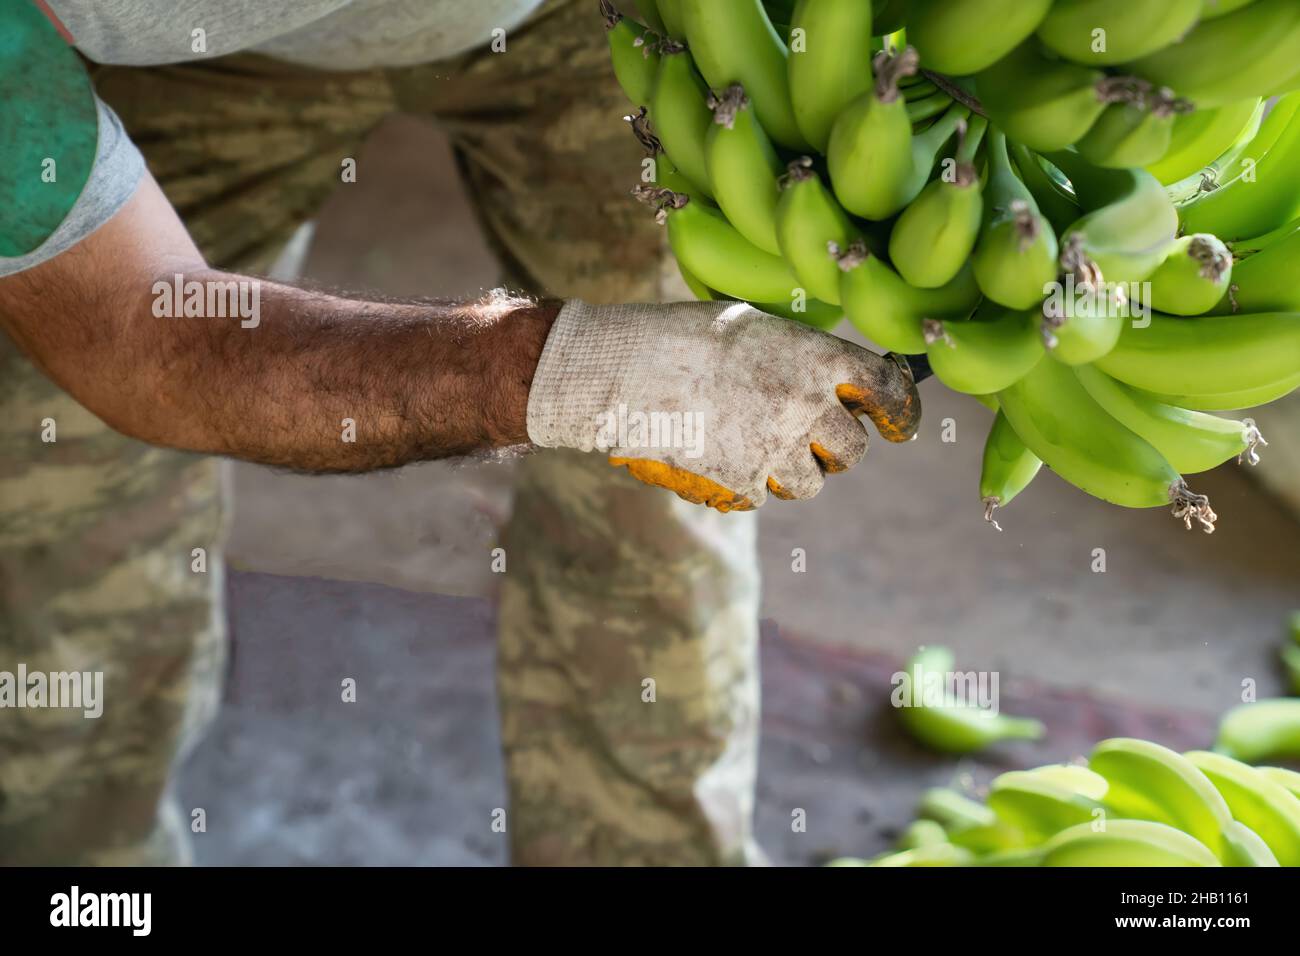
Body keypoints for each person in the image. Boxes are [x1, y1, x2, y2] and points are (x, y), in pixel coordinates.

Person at [0, 0, 919, 865]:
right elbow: (152, 336)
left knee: (664, 497)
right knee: (70, 488)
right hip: (199, 62)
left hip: (588, 24)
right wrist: (575, 374)